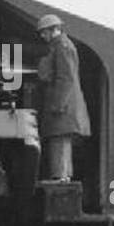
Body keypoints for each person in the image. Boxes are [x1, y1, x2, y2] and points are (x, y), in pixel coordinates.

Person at [35, 13, 90, 182]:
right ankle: (62, 176)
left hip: (62, 105)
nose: (42, 36)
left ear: (53, 30)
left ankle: (61, 177)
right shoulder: (58, 46)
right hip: (61, 104)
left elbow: (66, 78)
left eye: (44, 32)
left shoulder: (63, 47)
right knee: (59, 140)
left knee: (60, 139)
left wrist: (58, 104)